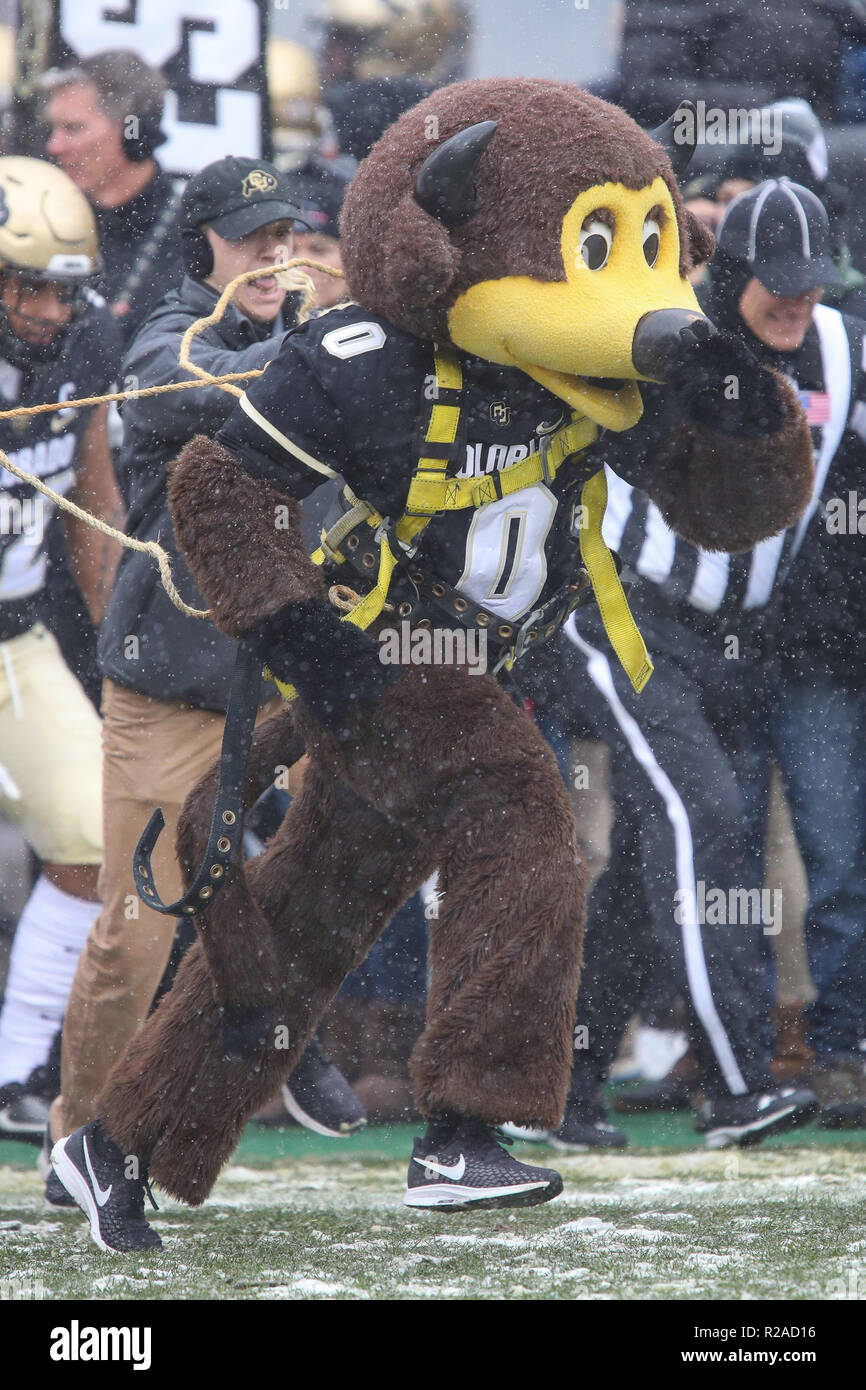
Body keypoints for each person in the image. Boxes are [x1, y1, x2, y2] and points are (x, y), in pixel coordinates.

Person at [47, 157, 364, 1200]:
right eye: (248, 236)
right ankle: (77, 1134)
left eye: (284, 234)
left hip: (282, 678)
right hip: (171, 685)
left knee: (328, 874)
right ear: (203, 249)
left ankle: (286, 1055)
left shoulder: (314, 337)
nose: (273, 252)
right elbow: (170, 389)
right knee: (135, 934)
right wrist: (322, 349)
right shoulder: (167, 342)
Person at [548, 177, 865, 1145]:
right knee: (702, 819)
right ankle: (735, 1082)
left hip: (737, 642)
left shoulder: (845, 345)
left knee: (655, 855)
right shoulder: (657, 336)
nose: (795, 301)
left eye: (811, 283)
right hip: (622, 614)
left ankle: (557, 1081)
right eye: (776, 282)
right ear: (729, 272)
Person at [0, 157, 124, 1134]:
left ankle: (11, 1073)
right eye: (26, 284)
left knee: (95, 840)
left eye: (60, 287)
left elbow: (90, 498)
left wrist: (125, 644)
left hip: (18, 635)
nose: (48, 309)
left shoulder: (89, 343)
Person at [41, 50, 184, 347]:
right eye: (53, 128)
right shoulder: (43, 220)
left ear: (135, 133)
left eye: (73, 128)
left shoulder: (193, 242)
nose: (54, 146)